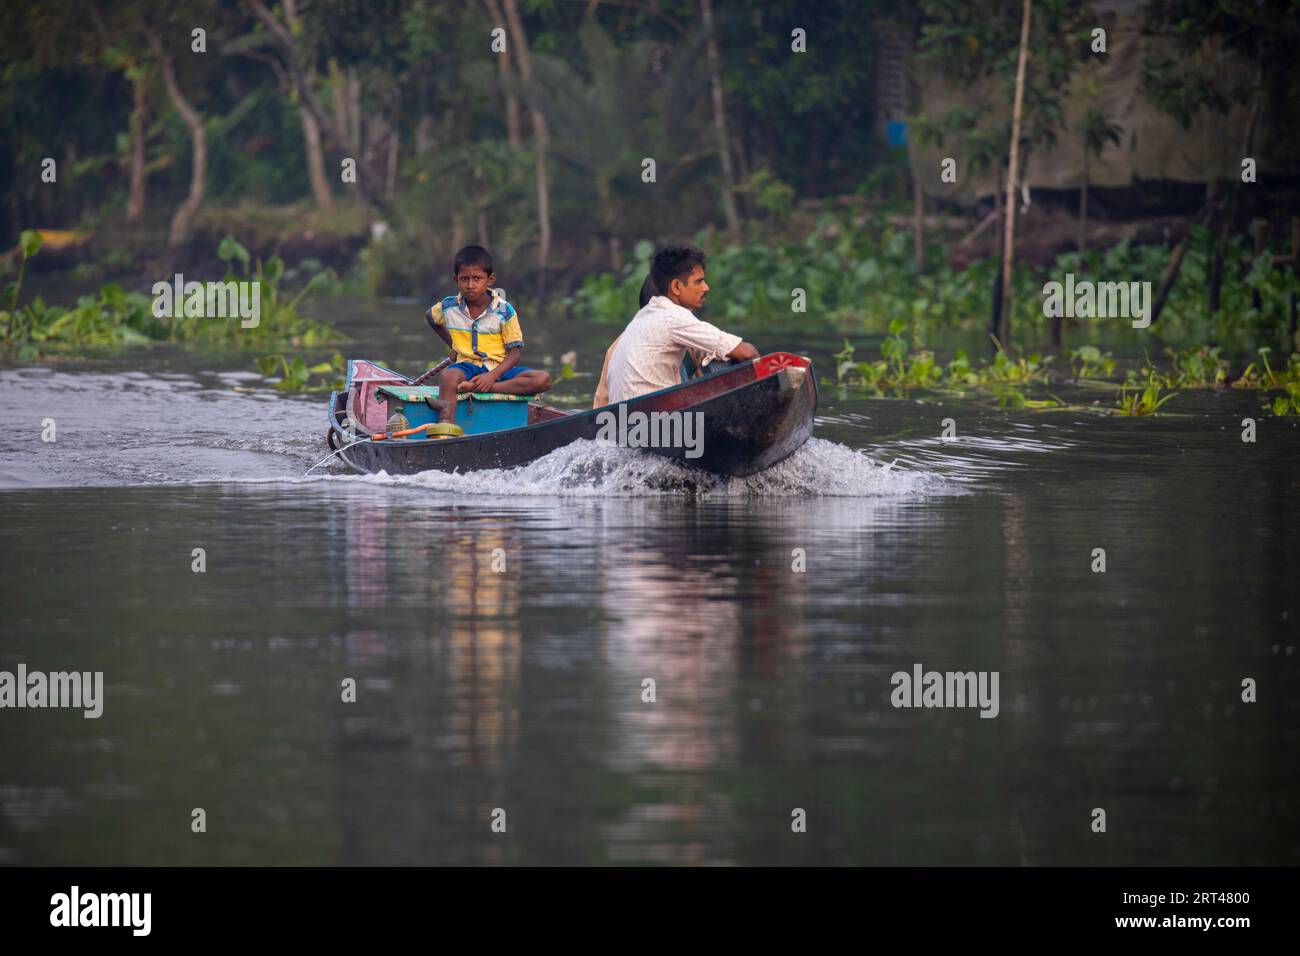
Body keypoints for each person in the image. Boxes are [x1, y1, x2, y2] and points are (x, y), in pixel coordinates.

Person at [604, 244, 757, 404]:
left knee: (709, 352)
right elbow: (747, 353)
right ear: (676, 287)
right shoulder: (673, 316)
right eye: (699, 281)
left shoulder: (641, 316)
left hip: (625, 420)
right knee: (722, 358)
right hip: (658, 421)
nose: (706, 287)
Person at [424, 245, 551, 425]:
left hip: (499, 369)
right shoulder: (448, 306)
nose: (470, 285)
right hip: (466, 367)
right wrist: (453, 345)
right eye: (464, 279)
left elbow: (515, 353)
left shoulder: (504, 311)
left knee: (542, 379)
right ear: (456, 280)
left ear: (490, 279)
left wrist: (490, 377)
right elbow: (430, 317)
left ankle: (482, 388)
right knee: (447, 377)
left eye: (477, 278)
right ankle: (446, 426)